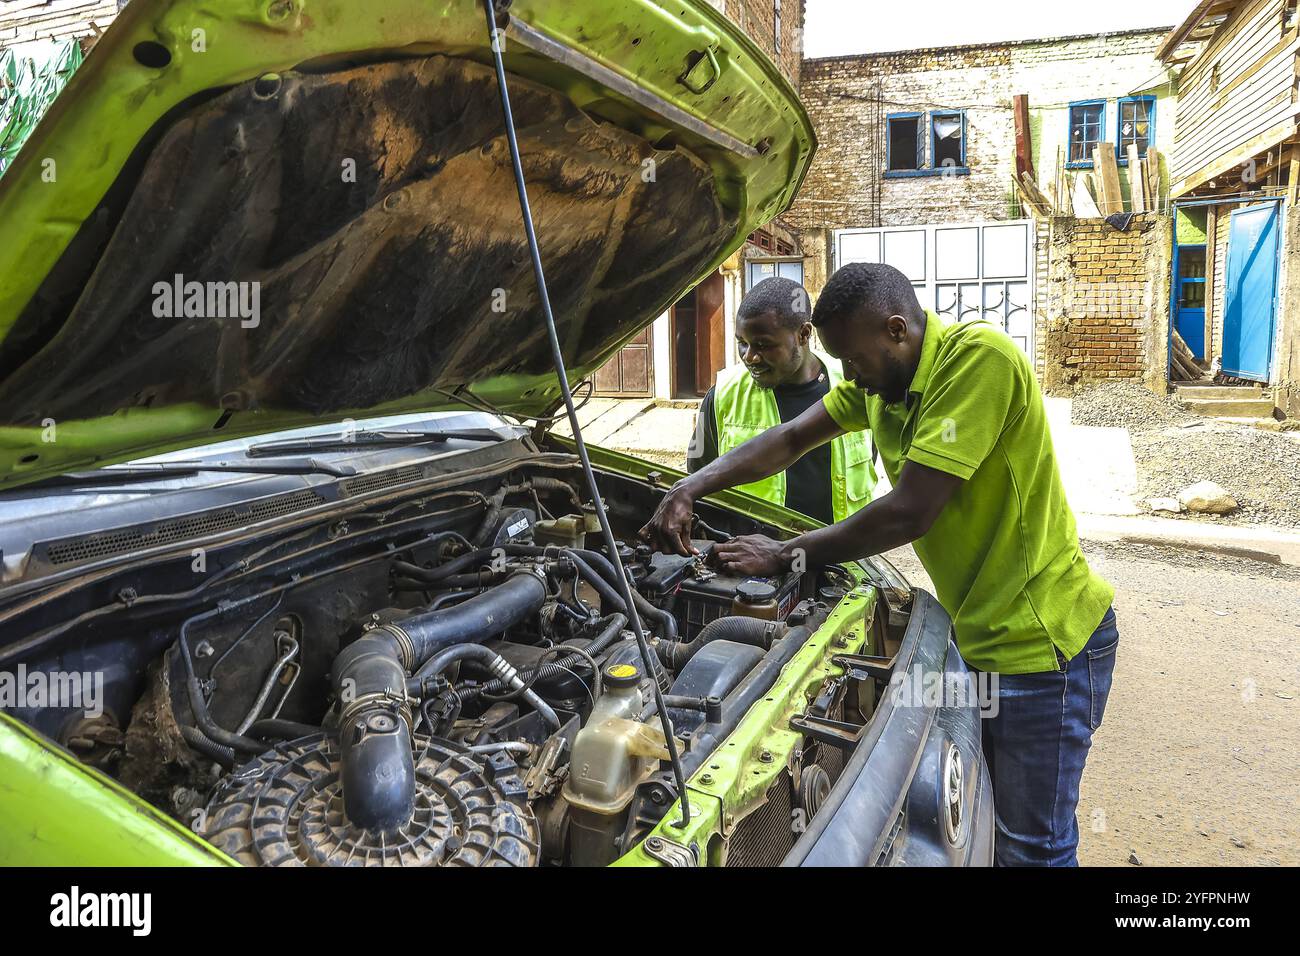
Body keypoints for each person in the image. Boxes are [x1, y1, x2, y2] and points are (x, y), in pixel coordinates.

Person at [642, 262, 1118, 867]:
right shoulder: (882, 382)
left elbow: (909, 512)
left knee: (1033, 851)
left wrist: (788, 551)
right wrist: (691, 488)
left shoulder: (977, 361)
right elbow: (789, 440)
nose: (851, 378)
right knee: (979, 822)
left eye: (856, 361)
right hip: (980, 638)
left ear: (897, 330)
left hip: (1043, 649)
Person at [687, 276, 876, 526]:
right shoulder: (724, 394)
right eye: (742, 343)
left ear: (804, 334)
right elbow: (700, 473)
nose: (750, 357)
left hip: (841, 555)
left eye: (763, 345)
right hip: (751, 557)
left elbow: (870, 457)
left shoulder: (855, 386)